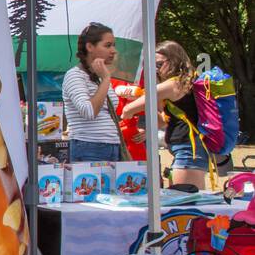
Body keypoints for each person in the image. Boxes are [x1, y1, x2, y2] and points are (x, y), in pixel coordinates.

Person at [121, 41, 210, 188]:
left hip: (188, 152)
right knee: (184, 203)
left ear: (174, 61)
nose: (156, 70)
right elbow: (162, 121)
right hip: (185, 152)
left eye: (158, 64)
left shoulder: (174, 84)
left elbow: (127, 110)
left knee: (187, 205)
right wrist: (144, 102)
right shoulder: (183, 83)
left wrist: (129, 109)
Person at [61, 23, 123, 162]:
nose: (113, 51)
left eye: (114, 45)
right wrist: (106, 79)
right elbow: (89, 111)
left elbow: (112, 108)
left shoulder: (101, 75)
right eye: (107, 45)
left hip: (111, 145)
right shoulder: (74, 75)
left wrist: (104, 77)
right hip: (89, 146)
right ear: (90, 47)